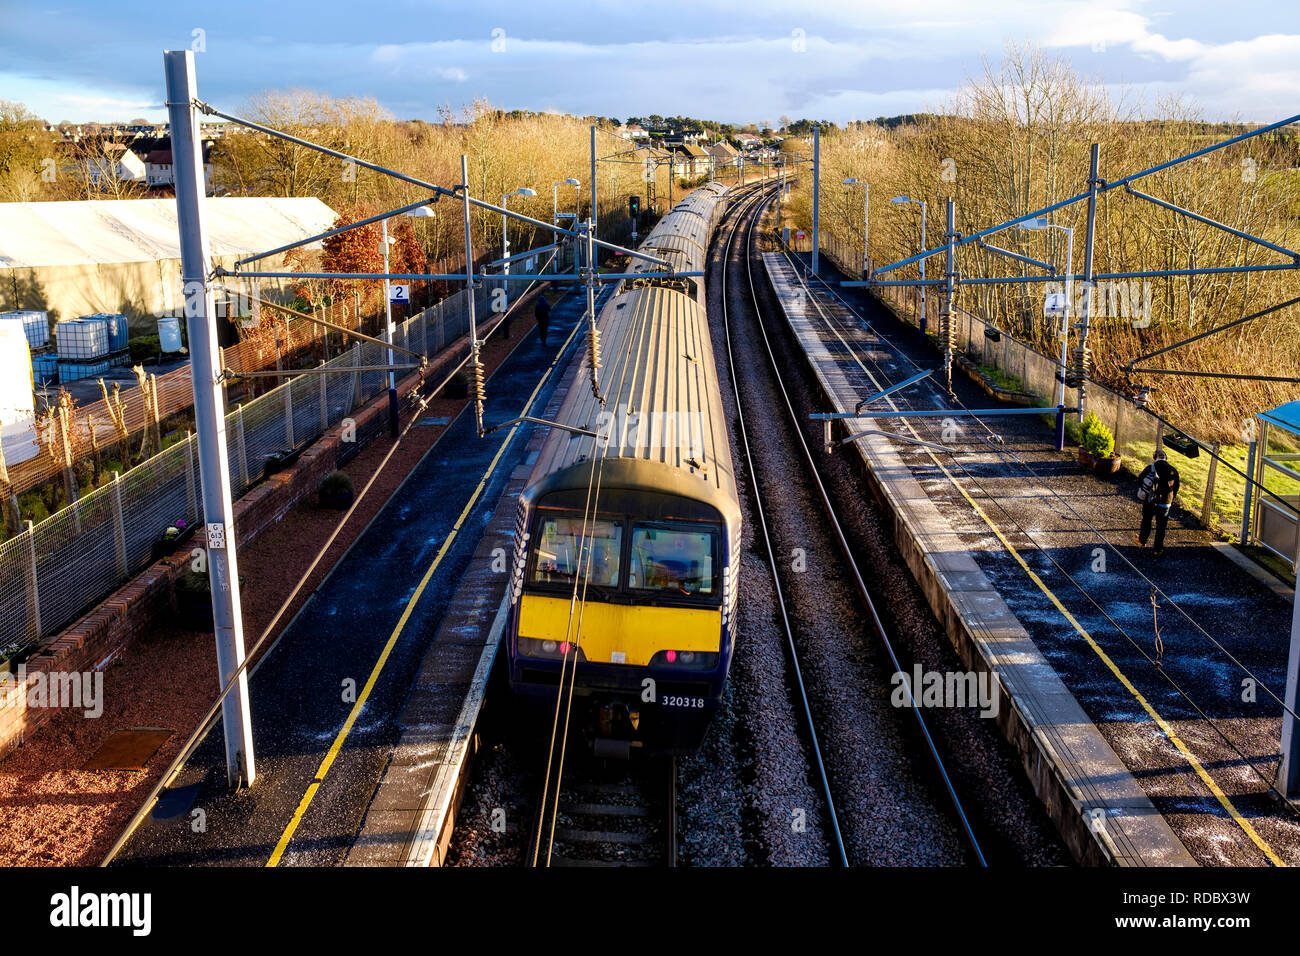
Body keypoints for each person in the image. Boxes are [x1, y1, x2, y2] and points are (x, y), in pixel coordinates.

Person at [1135, 448, 1180, 556]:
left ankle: (1142, 541)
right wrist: (1171, 499)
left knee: (1146, 520)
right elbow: (1176, 487)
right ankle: (1157, 549)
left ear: (1155, 458)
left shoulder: (1151, 468)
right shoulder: (1173, 470)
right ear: (1165, 458)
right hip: (1165, 502)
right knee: (1161, 526)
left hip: (1150, 501)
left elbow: (1140, 479)